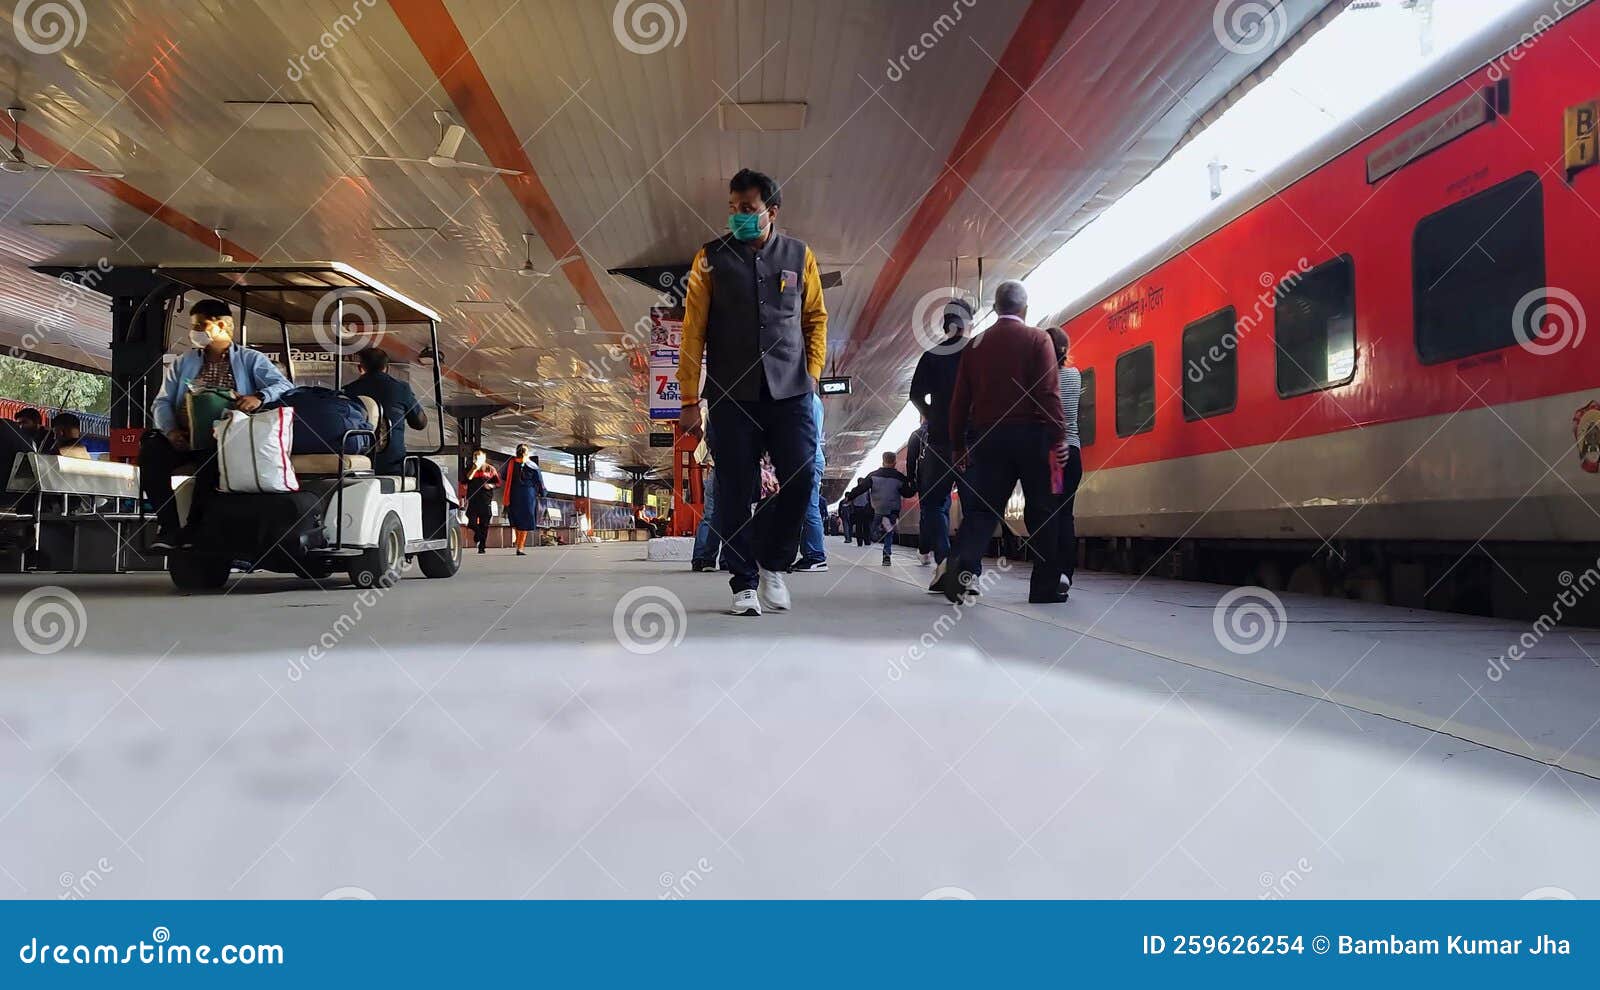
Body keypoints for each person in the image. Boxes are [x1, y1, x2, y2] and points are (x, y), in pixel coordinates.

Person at [677, 167, 827, 617]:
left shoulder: (800, 255)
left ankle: (773, 565)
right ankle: (743, 583)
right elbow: (692, 331)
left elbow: (815, 318)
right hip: (731, 394)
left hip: (792, 392)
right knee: (735, 488)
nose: (738, 217)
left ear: (772, 211)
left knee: (803, 478)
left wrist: (813, 374)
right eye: (733, 209)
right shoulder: (709, 259)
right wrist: (689, 400)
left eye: (748, 209)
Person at [943, 280, 1069, 605]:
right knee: (1042, 510)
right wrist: (1059, 436)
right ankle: (1044, 588)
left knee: (983, 512)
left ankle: (960, 574)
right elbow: (1047, 392)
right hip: (1033, 436)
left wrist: (958, 445)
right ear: (1024, 309)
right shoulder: (1038, 339)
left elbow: (960, 401)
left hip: (989, 437)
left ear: (996, 309)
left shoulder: (975, 346)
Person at [142, 298, 292, 550]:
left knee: (212, 461)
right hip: (185, 436)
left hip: (226, 438)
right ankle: (168, 526)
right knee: (150, 453)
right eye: (194, 326)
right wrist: (170, 431)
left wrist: (259, 397)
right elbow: (162, 402)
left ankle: (193, 528)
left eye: (200, 325)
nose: (194, 332)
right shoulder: (183, 362)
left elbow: (285, 386)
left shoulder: (250, 359)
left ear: (221, 325)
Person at [911, 298, 972, 591]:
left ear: (944, 323)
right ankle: (968, 574)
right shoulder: (977, 353)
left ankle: (945, 561)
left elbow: (915, 394)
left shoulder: (932, 355)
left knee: (934, 505)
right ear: (968, 322)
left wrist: (932, 413)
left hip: (938, 441)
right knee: (975, 508)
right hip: (972, 441)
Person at [343, 348, 426, 475]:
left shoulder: (348, 391)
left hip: (358, 465)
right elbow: (419, 424)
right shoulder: (401, 388)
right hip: (394, 466)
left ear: (361, 368)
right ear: (386, 367)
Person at [1047, 327, 1083, 592]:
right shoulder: (1074, 375)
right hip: (1073, 453)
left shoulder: (1039, 381)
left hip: (1054, 458)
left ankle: (1052, 570)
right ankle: (1065, 575)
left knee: (1050, 515)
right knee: (1066, 514)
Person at [793, 391, 828, 572]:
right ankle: (810, 555)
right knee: (806, 508)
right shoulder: (812, 399)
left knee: (809, 508)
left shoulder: (805, 399)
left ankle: (816, 556)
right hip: (809, 457)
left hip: (808, 458)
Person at [866, 451, 913, 566]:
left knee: (873, 531)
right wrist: (915, 488)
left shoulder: (873, 475)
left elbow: (863, 488)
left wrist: (851, 497)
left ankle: (877, 532)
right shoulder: (899, 477)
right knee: (889, 532)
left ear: (883, 461)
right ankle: (886, 556)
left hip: (878, 509)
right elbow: (906, 493)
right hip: (893, 509)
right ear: (895, 462)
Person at [503, 446, 545, 555]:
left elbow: (504, 476)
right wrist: (542, 492)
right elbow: (539, 481)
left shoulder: (511, 464)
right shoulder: (532, 465)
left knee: (517, 520)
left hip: (514, 494)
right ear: (527, 453)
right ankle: (520, 546)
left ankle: (518, 544)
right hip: (528, 495)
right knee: (525, 520)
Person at [464, 449, 500, 554]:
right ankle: (478, 534)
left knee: (484, 524)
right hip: (473, 499)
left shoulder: (490, 469)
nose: (477, 458)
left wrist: (491, 485)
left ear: (484, 457)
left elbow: (498, 483)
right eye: (475, 456)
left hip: (485, 500)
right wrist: (474, 469)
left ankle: (482, 546)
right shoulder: (470, 468)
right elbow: (466, 479)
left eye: (479, 456)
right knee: (471, 522)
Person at [906, 420, 931, 565]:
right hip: (947, 477)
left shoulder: (916, 434)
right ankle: (936, 553)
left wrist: (910, 480)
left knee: (928, 513)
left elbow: (911, 461)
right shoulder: (949, 427)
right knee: (941, 511)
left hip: (926, 480)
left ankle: (925, 551)